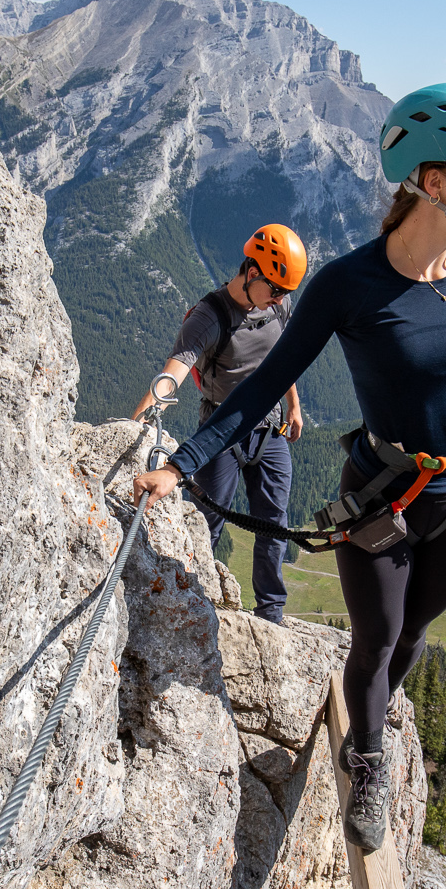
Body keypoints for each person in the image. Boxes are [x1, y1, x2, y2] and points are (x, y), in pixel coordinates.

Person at [130, 85, 446, 851]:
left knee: (415, 631)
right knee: (375, 639)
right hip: (383, 498)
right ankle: (368, 756)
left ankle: (373, 709)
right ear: (434, 181)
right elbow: (262, 389)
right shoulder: (347, 286)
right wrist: (182, 464)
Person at [131, 225, 308, 625]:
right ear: (252, 271)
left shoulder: (277, 305)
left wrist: (293, 406)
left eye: (285, 292)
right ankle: (200, 600)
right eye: (276, 289)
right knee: (206, 521)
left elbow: (283, 358)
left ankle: (271, 613)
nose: (281, 298)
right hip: (220, 431)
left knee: (273, 523)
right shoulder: (208, 317)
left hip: (268, 428)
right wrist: (134, 424)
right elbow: (173, 373)